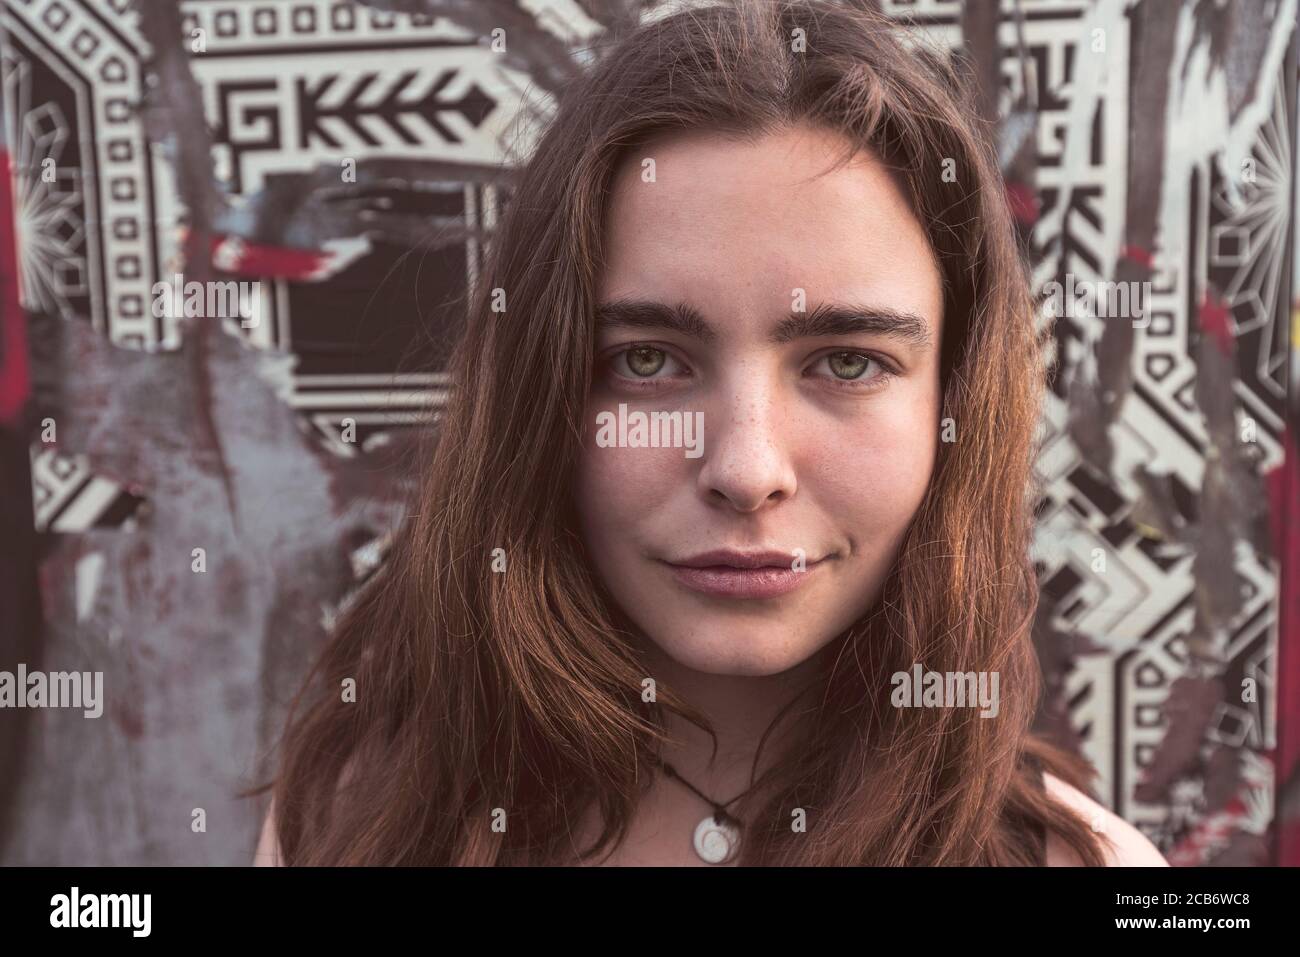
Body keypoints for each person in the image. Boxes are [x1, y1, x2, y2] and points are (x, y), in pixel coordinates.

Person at [252, 0, 1168, 867]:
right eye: (648, 362)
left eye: (846, 362)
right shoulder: (356, 818)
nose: (746, 468)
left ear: (954, 407)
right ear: (537, 392)